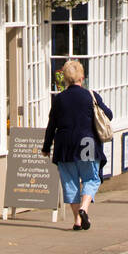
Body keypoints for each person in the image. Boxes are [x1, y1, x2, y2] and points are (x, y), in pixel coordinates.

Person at [42, 58, 112, 230]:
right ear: (82, 77)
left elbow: (52, 125)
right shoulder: (91, 96)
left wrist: (46, 147)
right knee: (92, 178)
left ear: (65, 79)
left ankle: (77, 221)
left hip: (64, 145)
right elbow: (108, 115)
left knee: (70, 182)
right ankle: (84, 208)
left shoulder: (59, 99)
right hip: (86, 142)